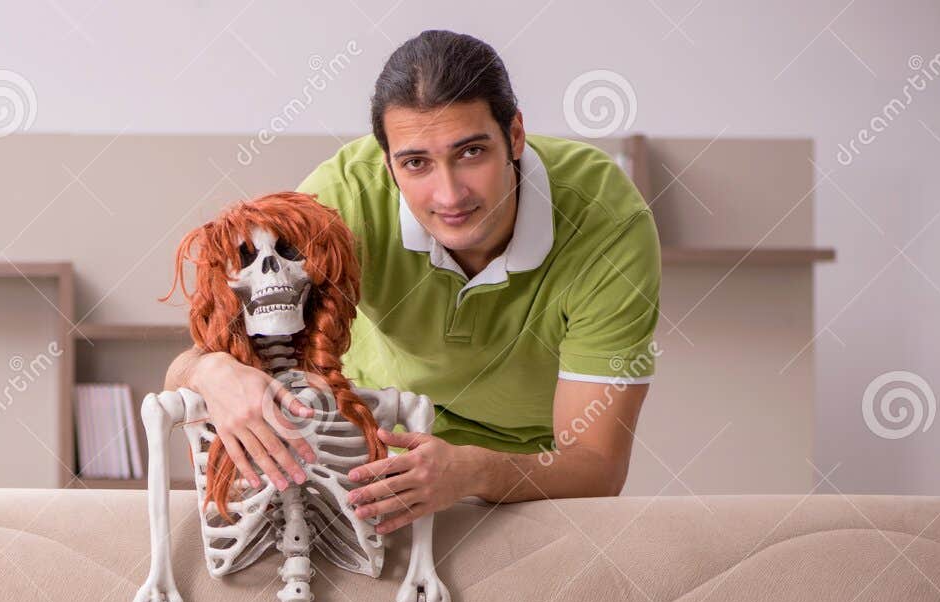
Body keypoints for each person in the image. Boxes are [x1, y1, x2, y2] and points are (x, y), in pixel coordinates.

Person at [162, 29, 660, 535]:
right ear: (387, 164)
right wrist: (211, 374)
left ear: (514, 135)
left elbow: (598, 464)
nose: (449, 195)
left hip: (523, 477)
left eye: (471, 153)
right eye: (416, 163)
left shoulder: (607, 222)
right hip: (369, 450)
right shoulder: (341, 201)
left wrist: (476, 471)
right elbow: (188, 368)